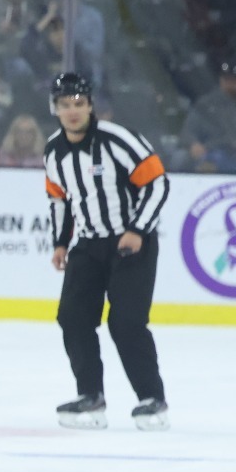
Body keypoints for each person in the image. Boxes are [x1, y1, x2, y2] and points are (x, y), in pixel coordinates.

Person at [43, 72, 171, 431]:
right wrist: (60, 242)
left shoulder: (118, 140)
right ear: (55, 109)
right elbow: (59, 198)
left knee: (126, 322)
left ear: (90, 106)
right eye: (65, 105)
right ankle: (91, 396)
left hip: (130, 245)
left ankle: (152, 399)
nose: (72, 111)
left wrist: (137, 230)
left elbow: (157, 183)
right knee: (73, 317)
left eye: (79, 103)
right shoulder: (53, 151)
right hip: (88, 245)